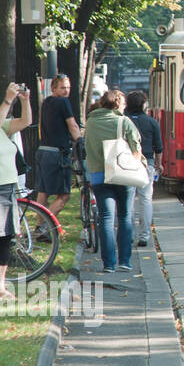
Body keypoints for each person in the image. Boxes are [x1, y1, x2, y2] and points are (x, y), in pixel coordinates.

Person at [84, 89, 143, 274]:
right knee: (125, 216)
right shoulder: (123, 121)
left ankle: (108, 264)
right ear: (118, 103)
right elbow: (136, 148)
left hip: (99, 176)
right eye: (123, 103)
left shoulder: (91, 122)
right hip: (122, 175)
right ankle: (124, 261)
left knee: (106, 219)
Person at [32, 74, 82, 220]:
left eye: (68, 88)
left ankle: (39, 226)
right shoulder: (63, 102)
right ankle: (45, 226)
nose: (66, 91)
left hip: (43, 151)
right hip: (57, 154)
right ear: (54, 88)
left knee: (43, 192)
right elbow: (72, 125)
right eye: (63, 88)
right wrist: (80, 140)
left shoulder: (46, 102)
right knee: (64, 195)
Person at [0, 83, 33, 299]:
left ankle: (0, 286)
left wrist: (25, 100)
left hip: (7, 186)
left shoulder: (3, 127)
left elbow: (25, 122)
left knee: (5, 238)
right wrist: (7, 100)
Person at [125, 91, 162, 249]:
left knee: (129, 200)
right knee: (146, 199)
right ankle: (144, 235)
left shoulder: (123, 121)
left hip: (127, 163)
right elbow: (158, 147)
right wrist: (159, 164)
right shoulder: (151, 122)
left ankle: (129, 234)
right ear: (143, 105)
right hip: (147, 162)